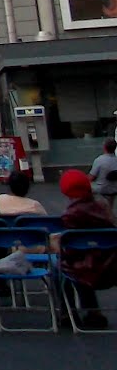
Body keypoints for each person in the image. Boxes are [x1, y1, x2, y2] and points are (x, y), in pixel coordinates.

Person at [58, 170, 117, 330]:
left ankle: (67, 314)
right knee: (86, 258)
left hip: (86, 269)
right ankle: (93, 313)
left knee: (63, 267)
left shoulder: (71, 215)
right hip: (111, 266)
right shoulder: (103, 207)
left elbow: (69, 251)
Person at [90, 139, 117, 213]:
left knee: (86, 186)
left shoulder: (99, 160)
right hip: (114, 188)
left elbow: (91, 177)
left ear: (104, 147)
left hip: (102, 188)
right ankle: (109, 212)